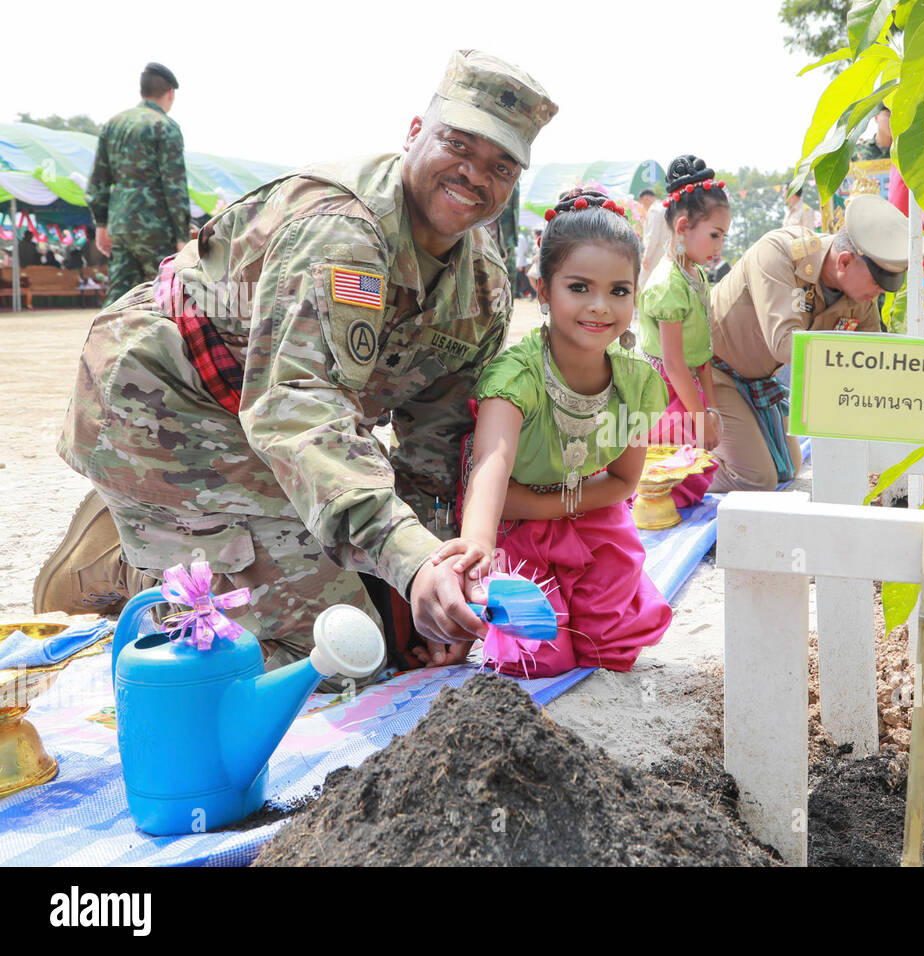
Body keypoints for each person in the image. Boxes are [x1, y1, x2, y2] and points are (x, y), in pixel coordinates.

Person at [39, 50, 558, 679]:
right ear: (416, 132)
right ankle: (126, 560)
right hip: (170, 402)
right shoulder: (342, 231)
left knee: (383, 635)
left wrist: (434, 580)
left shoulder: (482, 285)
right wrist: (408, 561)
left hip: (276, 422)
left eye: (499, 166)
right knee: (330, 662)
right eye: (458, 144)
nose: (474, 175)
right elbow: (299, 408)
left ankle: (198, 531)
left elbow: (436, 447)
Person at [434, 187, 671, 677]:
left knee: (610, 648)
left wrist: (554, 505)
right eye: (579, 287)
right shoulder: (515, 378)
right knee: (537, 656)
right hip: (508, 522)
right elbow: (491, 470)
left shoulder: (639, 380)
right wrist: (477, 546)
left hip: (590, 514)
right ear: (543, 289)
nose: (601, 306)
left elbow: (626, 483)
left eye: (619, 290)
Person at [708, 193, 908, 491]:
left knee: (787, 469)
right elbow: (784, 343)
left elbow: (873, 354)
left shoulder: (859, 294)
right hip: (711, 374)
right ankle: (666, 475)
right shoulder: (779, 253)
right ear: (844, 261)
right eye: (878, 285)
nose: (878, 296)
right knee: (757, 478)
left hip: (757, 381)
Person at [637, 155, 727, 506]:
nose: (720, 246)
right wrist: (701, 419)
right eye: (714, 235)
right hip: (665, 394)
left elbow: (702, 354)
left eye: (724, 235)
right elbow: (674, 363)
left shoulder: (698, 275)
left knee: (693, 466)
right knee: (668, 470)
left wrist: (712, 412)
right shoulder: (667, 284)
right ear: (684, 227)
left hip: (688, 390)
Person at [87, 62, 191, 305]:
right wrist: (182, 235)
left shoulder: (113, 125)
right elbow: (174, 187)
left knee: (119, 298)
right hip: (156, 228)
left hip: (120, 226)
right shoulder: (165, 127)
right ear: (170, 94)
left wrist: (102, 224)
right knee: (163, 297)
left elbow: (98, 180)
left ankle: (107, 341)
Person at [641, 185, 669, 276]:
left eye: (642, 203)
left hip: (656, 251)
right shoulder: (664, 207)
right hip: (666, 251)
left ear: (646, 199)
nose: (643, 206)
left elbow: (653, 234)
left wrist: (647, 256)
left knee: (644, 282)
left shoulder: (654, 210)